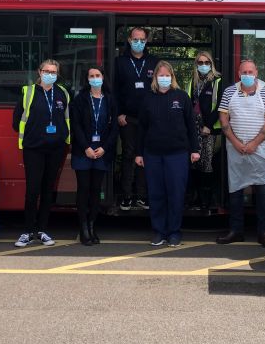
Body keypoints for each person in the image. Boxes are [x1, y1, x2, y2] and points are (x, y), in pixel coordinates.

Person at [216, 60, 265, 248]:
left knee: (262, 191)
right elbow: (223, 119)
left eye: (250, 71)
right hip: (235, 148)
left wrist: (254, 143)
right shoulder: (229, 92)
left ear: (256, 72)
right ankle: (236, 230)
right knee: (236, 190)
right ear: (238, 73)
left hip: (259, 149)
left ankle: (264, 232)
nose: (247, 74)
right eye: (244, 71)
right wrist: (237, 142)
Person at [135, 61, 199, 247]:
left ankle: (174, 232)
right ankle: (159, 231)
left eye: (167, 75)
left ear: (172, 77)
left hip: (178, 154)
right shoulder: (147, 98)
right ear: (155, 77)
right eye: (160, 75)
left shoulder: (181, 97)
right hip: (153, 154)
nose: (164, 78)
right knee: (156, 194)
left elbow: (191, 126)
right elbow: (141, 129)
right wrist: (139, 153)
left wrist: (194, 150)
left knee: (176, 194)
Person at [11, 59, 71, 247]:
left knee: (48, 190)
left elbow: (67, 119)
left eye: (54, 72)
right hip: (33, 149)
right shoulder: (28, 92)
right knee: (32, 190)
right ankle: (28, 231)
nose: (50, 75)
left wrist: (62, 137)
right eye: (47, 71)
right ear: (39, 71)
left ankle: (42, 230)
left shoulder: (62, 93)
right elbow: (16, 122)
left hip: (55, 149)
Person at [70, 66, 118, 246]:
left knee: (96, 190)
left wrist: (104, 148)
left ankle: (92, 226)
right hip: (83, 151)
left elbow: (114, 129)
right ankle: (83, 228)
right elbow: (76, 126)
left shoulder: (110, 100)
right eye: (92, 76)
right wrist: (86, 147)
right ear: (87, 79)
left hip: (102, 152)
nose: (95, 78)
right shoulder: (80, 99)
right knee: (83, 189)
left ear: (103, 78)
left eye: (98, 75)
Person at [113, 26, 160, 210]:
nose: (138, 42)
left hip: (149, 120)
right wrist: (118, 114)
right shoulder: (120, 62)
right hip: (128, 119)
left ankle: (142, 195)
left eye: (142, 39)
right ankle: (126, 195)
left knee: (145, 156)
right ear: (129, 40)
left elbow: (159, 89)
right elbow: (115, 91)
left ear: (146, 41)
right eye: (135, 39)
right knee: (128, 156)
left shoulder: (154, 62)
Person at [189, 51, 222, 212]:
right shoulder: (193, 82)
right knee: (194, 162)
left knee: (206, 163)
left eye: (206, 62)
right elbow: (189, 103)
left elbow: (220, 106)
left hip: (210, 128)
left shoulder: (217, 81)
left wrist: (208, 125)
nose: (203, 65)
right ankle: (194, 197)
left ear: (211, 64)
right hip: (194, 126)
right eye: (200, 62)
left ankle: (206, 200)